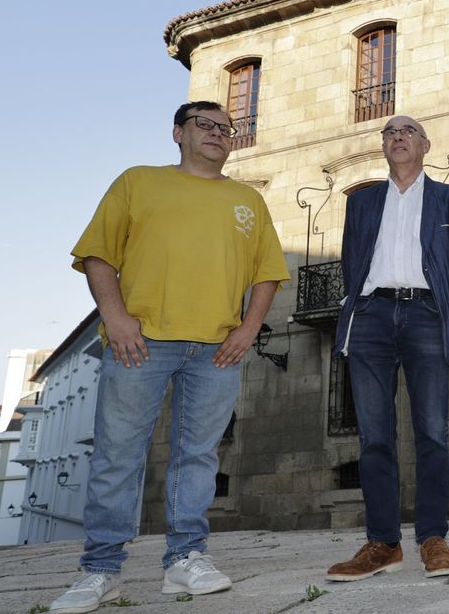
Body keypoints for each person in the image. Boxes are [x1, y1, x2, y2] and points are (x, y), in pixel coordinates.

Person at [50, 102, 290, 614]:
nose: (219, 135)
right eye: (206, 125)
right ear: (178, 133)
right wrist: (114, 317)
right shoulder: (138, 182)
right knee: (118, 455)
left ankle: (185, 560)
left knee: (198, 457)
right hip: (141, 342)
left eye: (227, 129)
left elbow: (267, 271)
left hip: (217, 350)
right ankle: (101, 571)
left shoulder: (248, 199)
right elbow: (98, 253)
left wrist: (249, 329)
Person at [327, 115, 449, 581]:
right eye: (390, 132)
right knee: (374, 435)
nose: (397, 136)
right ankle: (382, 543)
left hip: (426, 315)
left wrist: (448, 313)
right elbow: (353, 261)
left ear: (426, 145)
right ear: (383, 147)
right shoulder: (362, 203)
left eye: (407, 131)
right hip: (372, 316)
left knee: (432, 431)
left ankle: (433, 538)